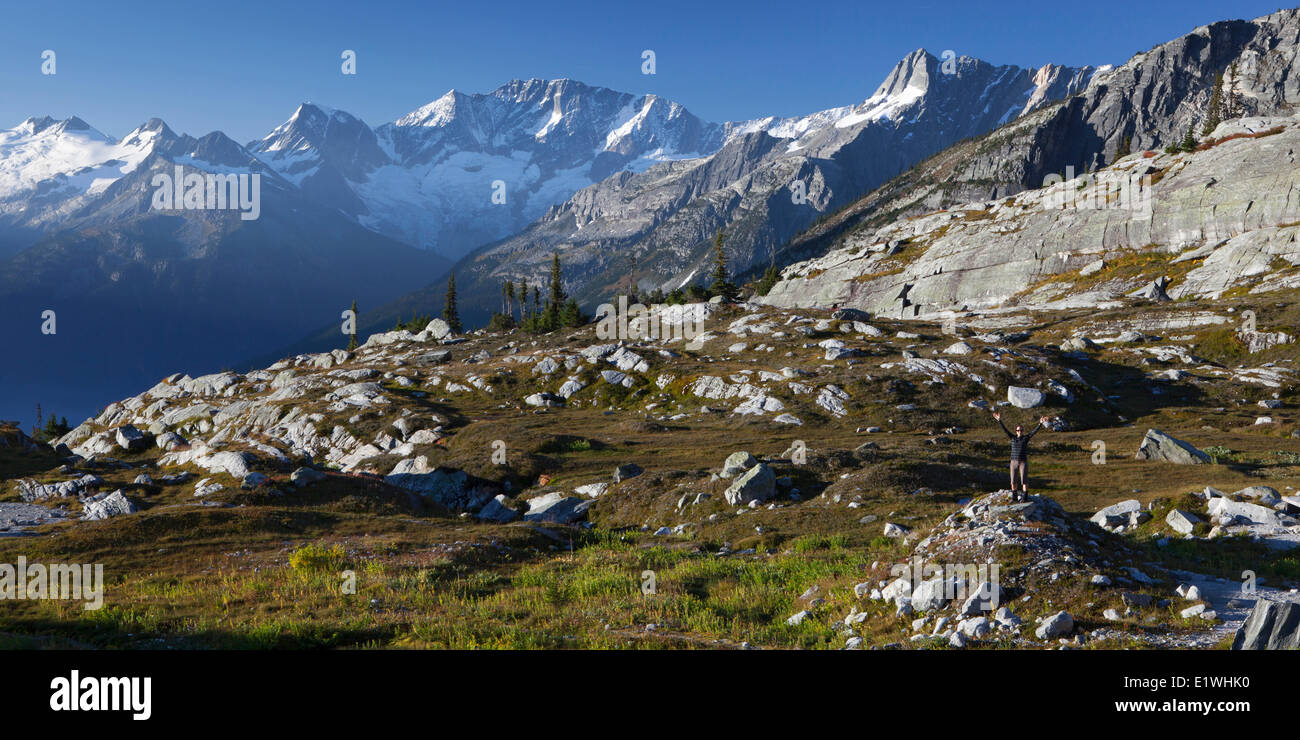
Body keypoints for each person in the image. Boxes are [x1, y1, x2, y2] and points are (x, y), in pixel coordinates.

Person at [991, 410, 1051, 501]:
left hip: (1023, 461)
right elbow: (1005, 430)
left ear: (1022, 431)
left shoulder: (1025, 438)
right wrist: (999, 421)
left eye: (1021, 430)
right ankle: (1014, 498)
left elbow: (1033, 433)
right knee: (1013, 481)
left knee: (1024, 480)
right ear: (1016, 431)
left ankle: (1025, 498)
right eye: (1018, 430)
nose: (1019, 431)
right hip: (1013, 462)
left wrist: (1040, 424)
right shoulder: (1012, 438)